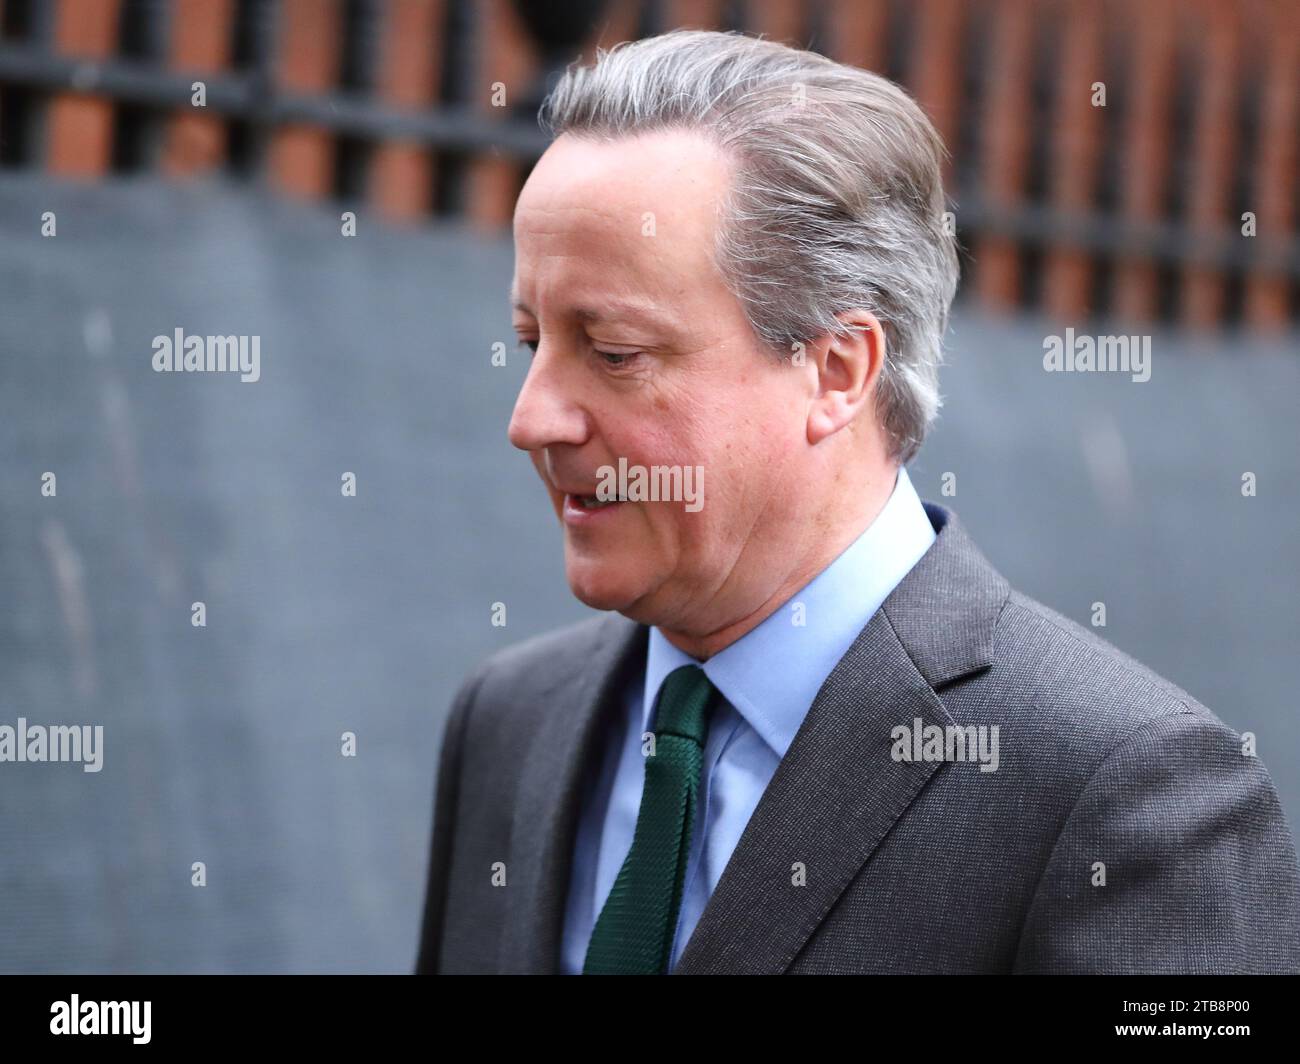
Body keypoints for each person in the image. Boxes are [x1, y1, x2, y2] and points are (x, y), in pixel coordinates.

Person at [415, 29, 1300, 974]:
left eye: (615, 353)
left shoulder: (1127, 793)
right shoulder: (511, 720)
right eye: (531, 342)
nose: (532, 419)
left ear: (837, 370)